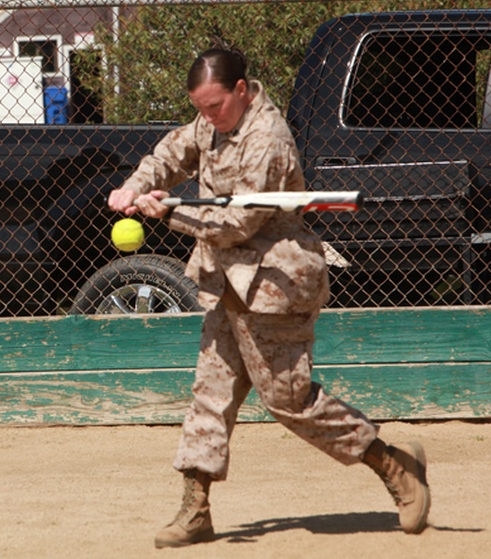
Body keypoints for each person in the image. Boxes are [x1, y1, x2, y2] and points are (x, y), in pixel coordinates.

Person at [107, 48, 431, 548]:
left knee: (288, 401)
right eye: (202, 108)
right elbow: (174, 152)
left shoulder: (268, 139)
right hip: (224, 284)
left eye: (215, 106)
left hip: (274, 284)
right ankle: (196, 509)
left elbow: (237, 224)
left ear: (242, 89)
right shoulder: (210, 120)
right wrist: (137, 185)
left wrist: (167, 214)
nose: (209, 117)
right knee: (210, 394)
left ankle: (394, 463)